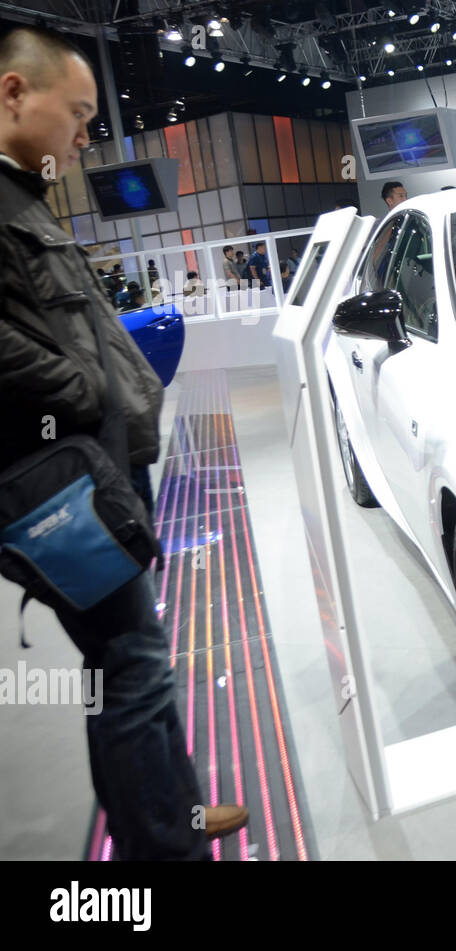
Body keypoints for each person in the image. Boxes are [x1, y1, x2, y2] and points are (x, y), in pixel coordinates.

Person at [0, 24, 247, 859]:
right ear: (12, 94)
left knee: (126, 657)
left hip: (91, 465)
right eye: (76, 115)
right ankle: (163, 843)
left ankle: (166, 811)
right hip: (58, 479)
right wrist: (86, 391)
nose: (83, 137)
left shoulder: (23, 198)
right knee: (133, 660)